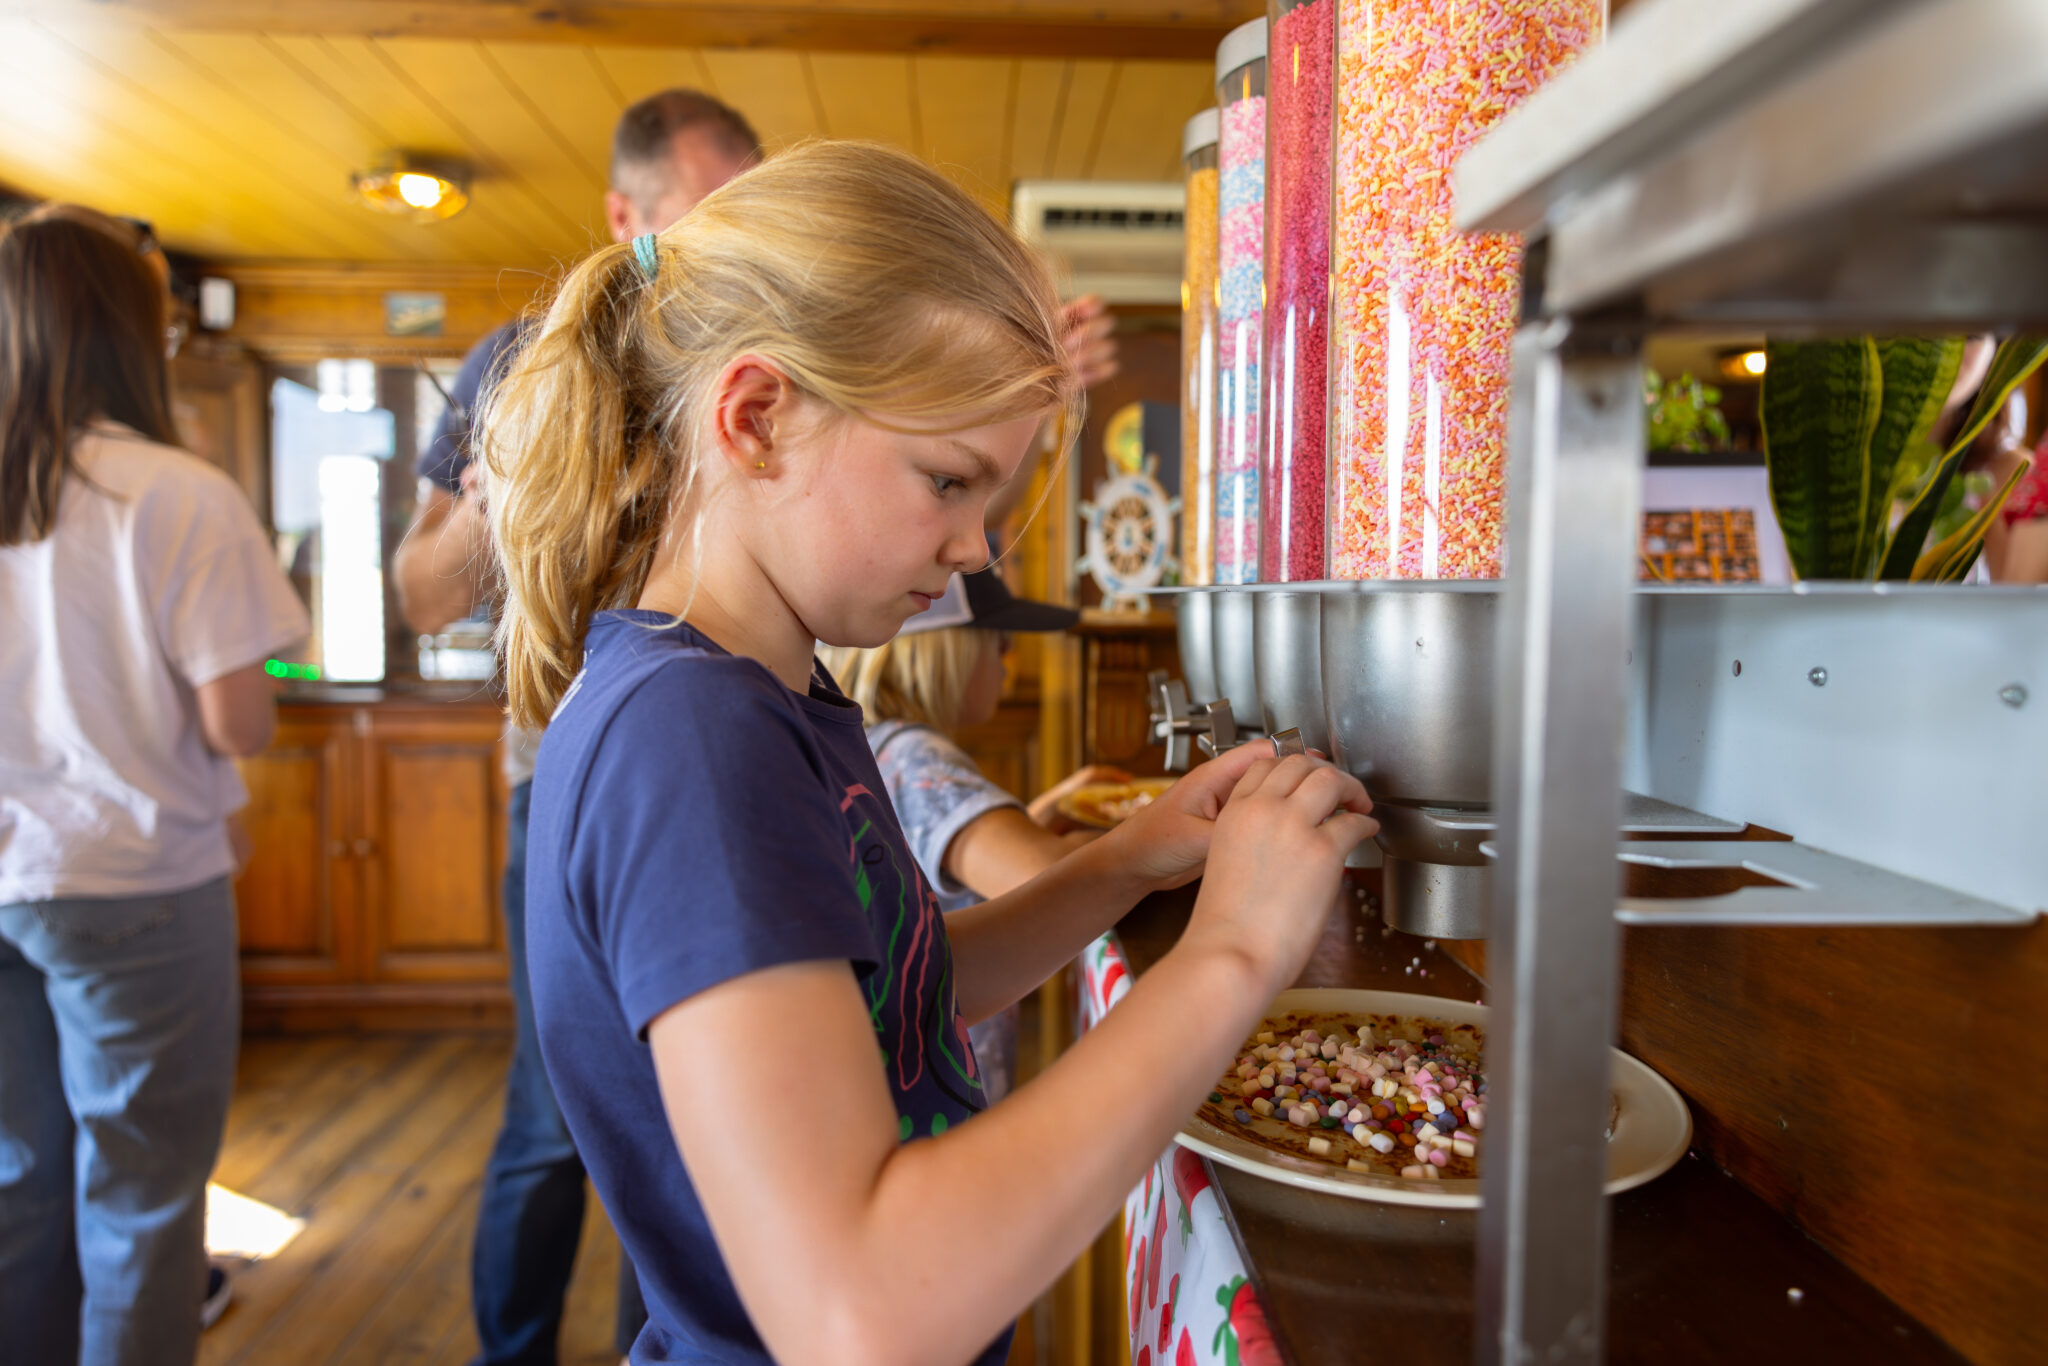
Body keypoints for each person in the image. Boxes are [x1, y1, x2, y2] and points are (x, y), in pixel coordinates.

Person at [479, 139, 1376, 1365]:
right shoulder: (691, 739)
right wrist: (1234, 948)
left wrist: (1126, 858)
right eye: (948, 481)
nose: (974, 552)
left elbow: (896, 987)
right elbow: (860, 1312)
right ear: (756, 418)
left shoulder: (769, 694)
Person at [392, 87, 766, 1366]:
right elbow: (419, 594)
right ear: (625, 213)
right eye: (712, 206)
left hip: (722, 770)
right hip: (564, 780)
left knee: (691, 1131)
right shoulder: (520, 359)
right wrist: (493, 500)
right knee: (555, 1112)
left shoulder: (757, 350)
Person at [0, 206, 310, 1366]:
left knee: (18, 1185)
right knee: (144, 1198)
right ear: (129, 334)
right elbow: (239, 721)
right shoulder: (179, 495)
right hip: (138, 883)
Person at [819, 568, 1132, 1102]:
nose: (1010, 660)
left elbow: (938, 860)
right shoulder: (921, 758)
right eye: (1001, 641)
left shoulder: (878, 745)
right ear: (949, 652)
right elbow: (1052, 878)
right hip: (949, 1075)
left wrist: (1034, 817)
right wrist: (1130, 829)